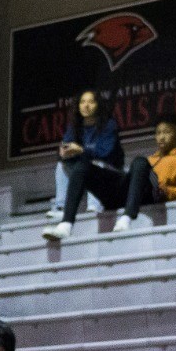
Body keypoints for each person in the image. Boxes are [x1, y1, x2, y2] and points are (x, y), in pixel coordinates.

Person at [43, 89, 123, 241]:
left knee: (93, 162)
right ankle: (61, 206)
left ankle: (95, 205)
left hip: (109, 171)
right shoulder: (75, 126)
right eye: (82, 102)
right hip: (84, 170)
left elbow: (104, 153)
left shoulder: (109, 125)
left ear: (98, 105)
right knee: (62, 166)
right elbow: (66, 146)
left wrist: (81, 149)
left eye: (91, 102)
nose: (86, 106)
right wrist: (63, 152)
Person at [110, 114, 176, 233]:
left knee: (140, 163)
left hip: (160, 196)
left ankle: (127, 216)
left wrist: (167, 191)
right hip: (145, 195)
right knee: (137, 164)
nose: (161, 137)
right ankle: (125, 214)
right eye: (158, 133)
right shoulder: (148, 161)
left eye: (166, 132)